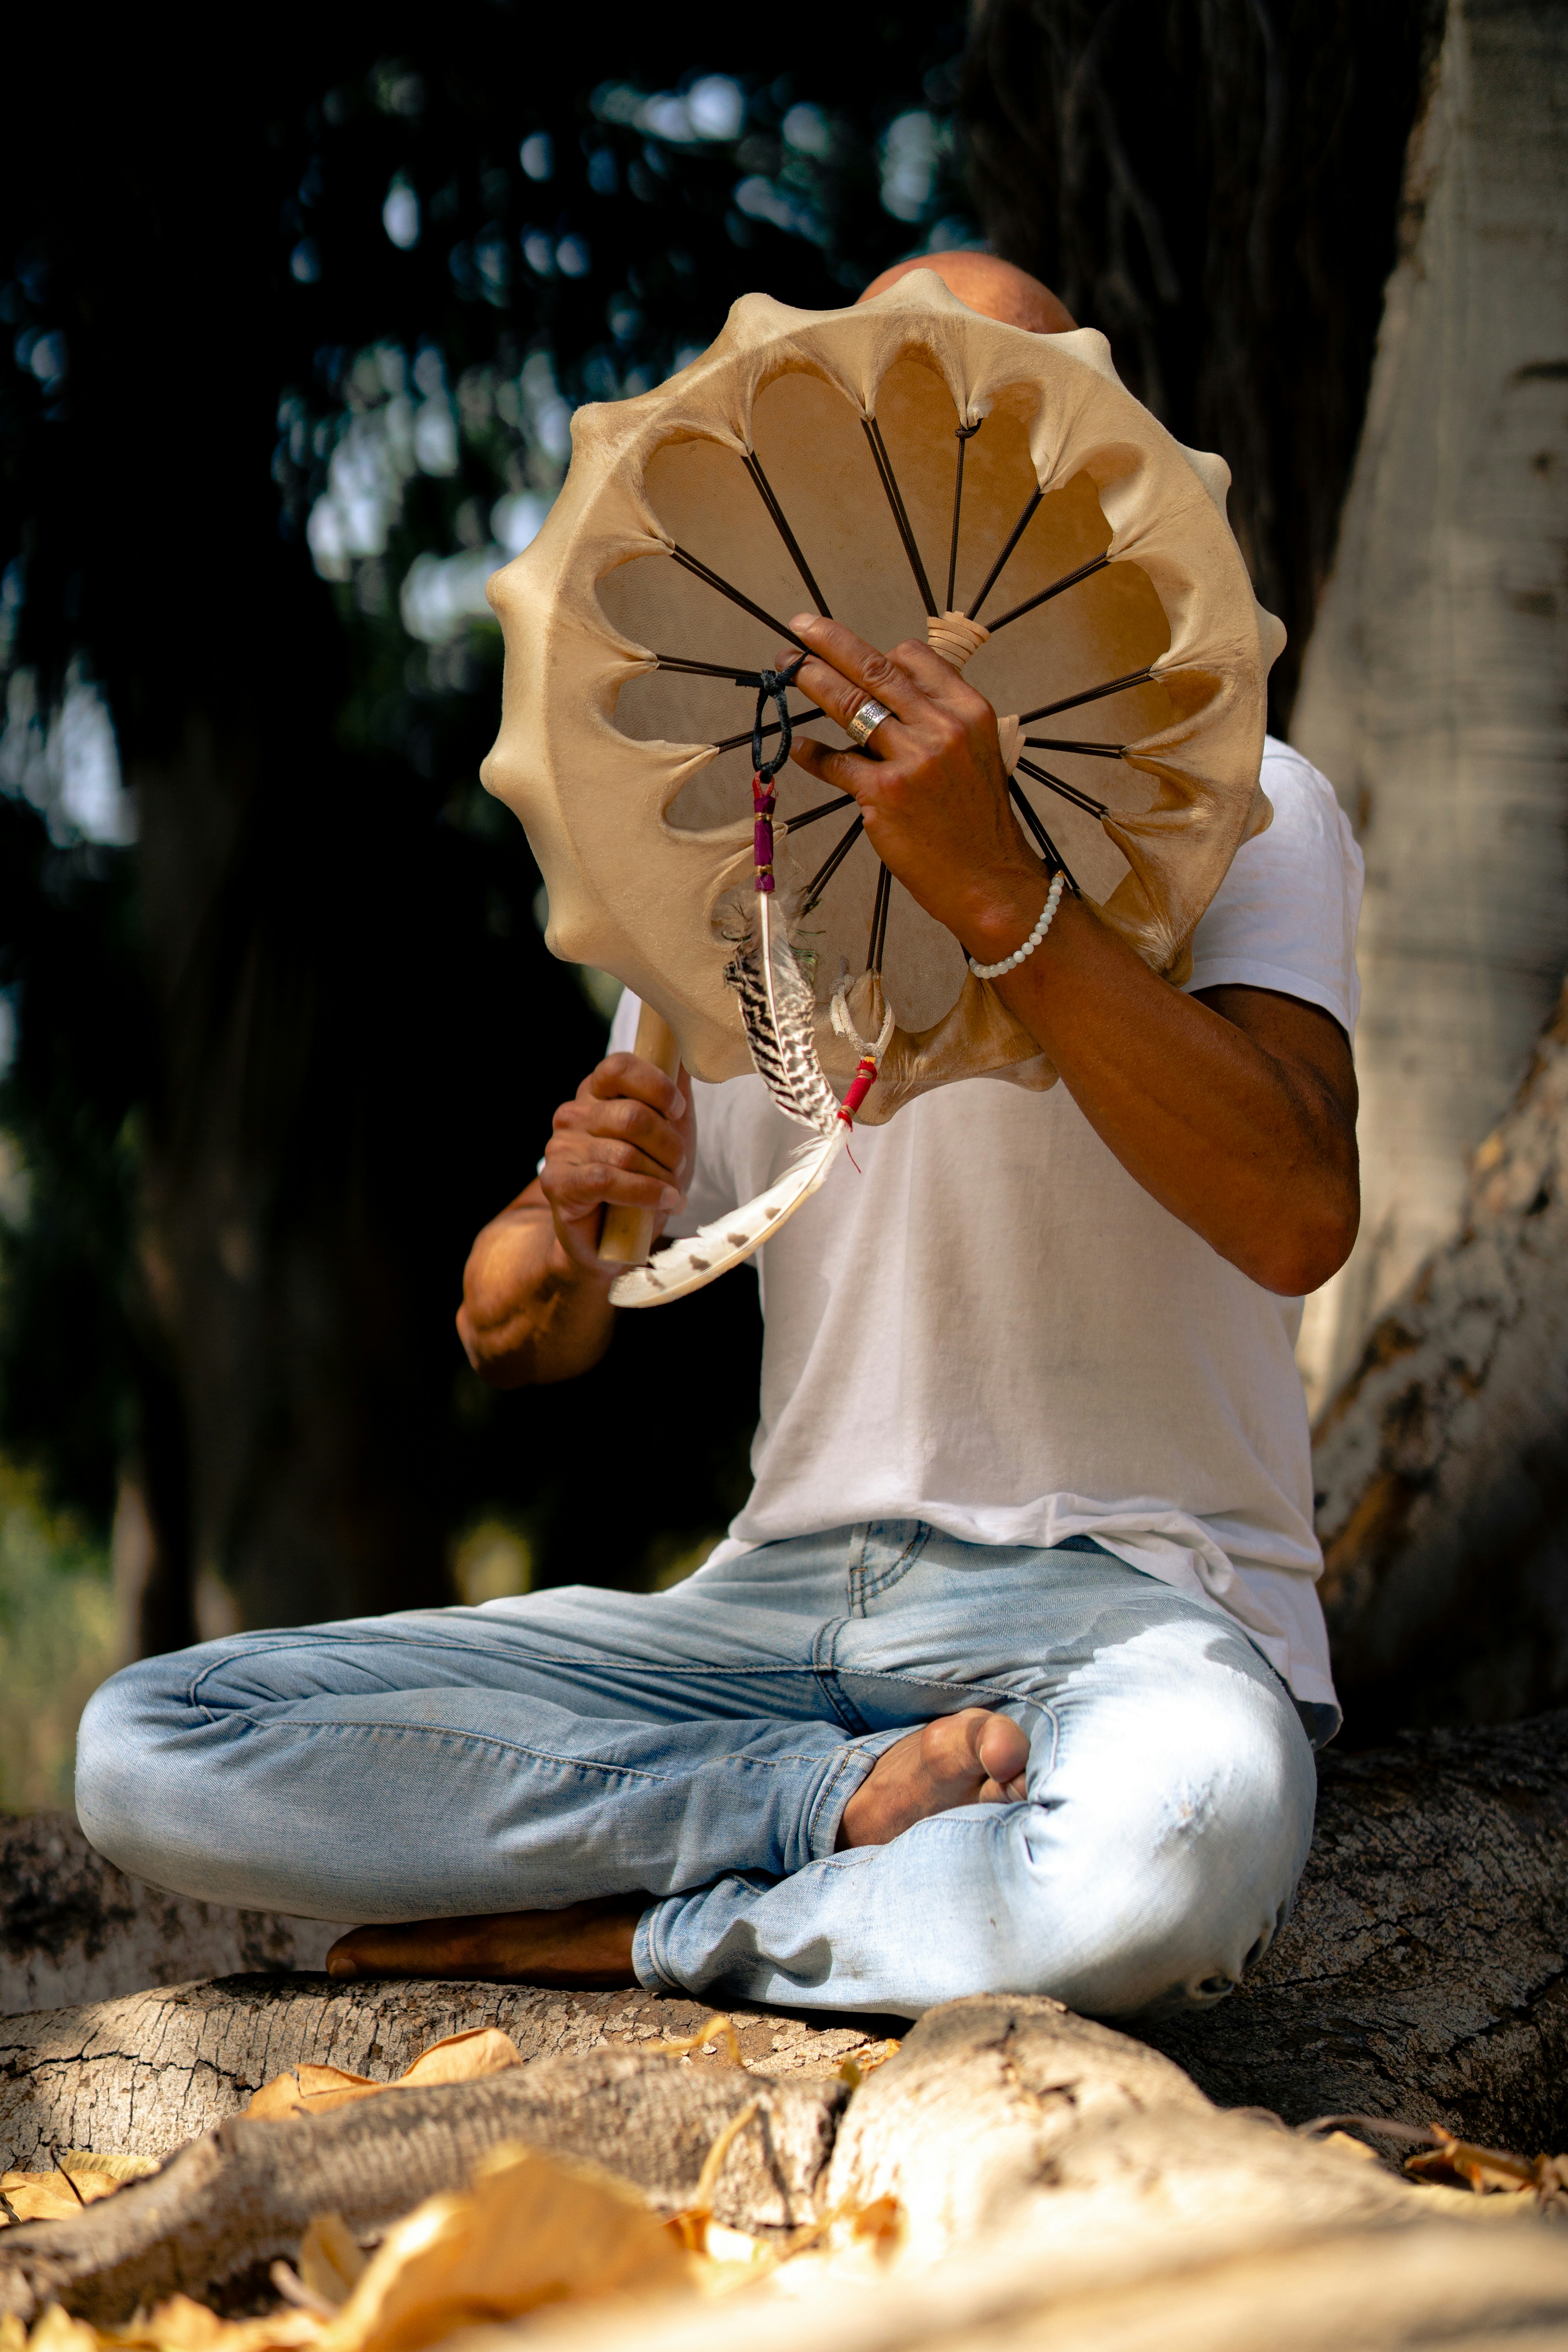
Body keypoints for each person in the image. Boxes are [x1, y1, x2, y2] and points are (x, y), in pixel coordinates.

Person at [75, 254, 1363, 2022]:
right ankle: (814, 1817)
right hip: (773, 1622)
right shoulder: (733, 858)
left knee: (1175, 1850)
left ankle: (636, 1933)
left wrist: (998, 889)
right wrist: (567, 1230)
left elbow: (1297, 1212)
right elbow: (525, 1322)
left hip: (1130, 1610)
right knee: (150, 1744)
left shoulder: (1247, 798)